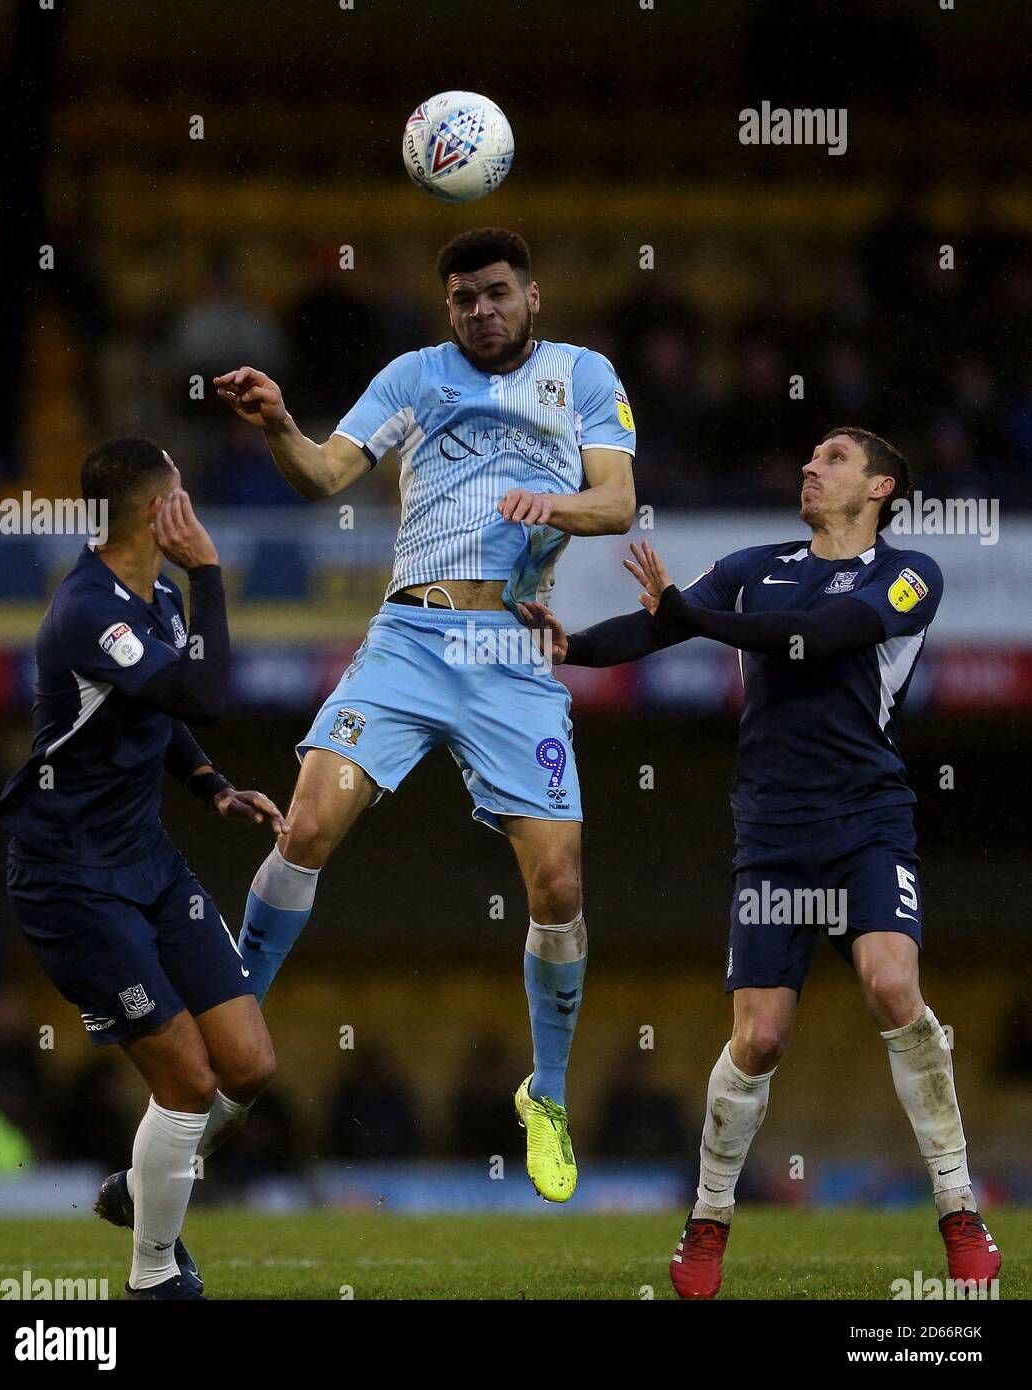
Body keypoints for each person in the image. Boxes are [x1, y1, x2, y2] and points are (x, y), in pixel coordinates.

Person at [524, 427, 1002, 1296]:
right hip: (775, 835)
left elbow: (817, 637)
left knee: (894, 989)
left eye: (832, 459)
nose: (810, 467)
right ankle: (707, 1222)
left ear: (881, 486)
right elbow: (652, 628)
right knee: (759, 1039)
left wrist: (689, 615)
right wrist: (572, 649)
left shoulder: (909, 574)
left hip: (865, 823)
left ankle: (959, 1211)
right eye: (809, 455)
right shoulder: (754, 564)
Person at [214, 226, 636, 1202]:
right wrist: (279, 421)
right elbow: (324, 475)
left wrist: (549, 506)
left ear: (532, 295)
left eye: (495, 293)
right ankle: (231, 1018)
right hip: (408, 638)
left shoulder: (581, 375)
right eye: (462, 299)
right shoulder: (412, 374)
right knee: (309, 820)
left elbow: (614, 502)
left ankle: (548, 1092)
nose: (479, 309)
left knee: (559, 884)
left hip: (507, 655)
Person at [0, 438, 288, 1299]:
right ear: (160, 512)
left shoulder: (150, 593)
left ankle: (139, 1186)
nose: (191, 503)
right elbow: (208, 695)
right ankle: (154, 1272)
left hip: (146, 861)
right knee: (189, 1082)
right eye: (182, 490)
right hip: (70, 883)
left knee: (249, 1067)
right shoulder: (90, 610)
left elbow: (167, 710)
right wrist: (212, 575)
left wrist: (212, 788)